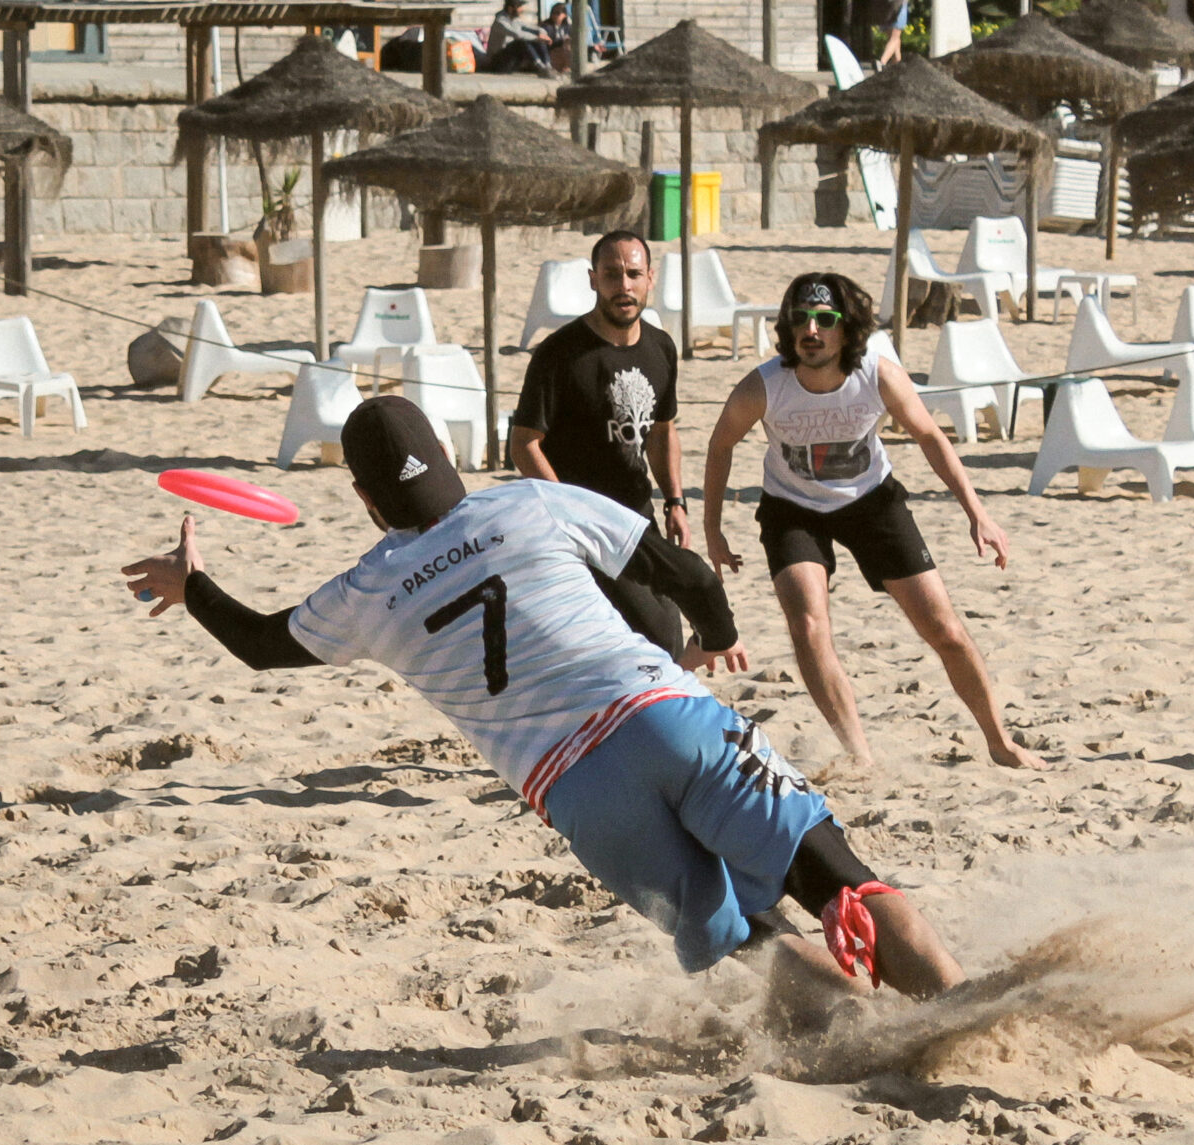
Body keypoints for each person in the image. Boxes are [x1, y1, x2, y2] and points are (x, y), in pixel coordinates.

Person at [120, 395, 964, 1006]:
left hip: (583, 796)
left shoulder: (367, 593)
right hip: (668, 720)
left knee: (752, 938)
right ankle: (964, 1015)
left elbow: (263, 647)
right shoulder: (528, 502)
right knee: (838, 882)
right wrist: (700, 646)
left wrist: (193, 587)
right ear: (451, 462)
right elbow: (689, 575)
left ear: (368, 501)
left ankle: (864, 1033)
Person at [702, 273, 1048, 773]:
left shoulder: (877, 375)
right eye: (801, 319)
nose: (812, 330)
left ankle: (1000, 742)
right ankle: (858, 755)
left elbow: (930, 437)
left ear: (848, 329)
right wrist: (713, 530)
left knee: (944, 628)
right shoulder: (765, 386)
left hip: (871, 501)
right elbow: (720, 446)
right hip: (792, 508)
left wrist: (978, 513)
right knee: (807, 625)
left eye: (826, 319)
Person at [512, 230, 691, 660]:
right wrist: (567, 512)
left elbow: (663, 432)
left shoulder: (661, 348)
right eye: (612, 274)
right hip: (579, 531)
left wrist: (675, 501)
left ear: (651, 278)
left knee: (664, 642)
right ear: (593, 280)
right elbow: (524, 445)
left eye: (633, 274)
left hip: (638, 521)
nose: (623, 285)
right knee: (619, 650)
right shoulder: (559, 355)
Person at [485, 0, 557, 77]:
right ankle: (540, 67)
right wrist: (537, 37)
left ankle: (547, 66)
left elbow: (529, 27)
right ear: (510, 8)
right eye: (519, 7)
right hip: (497, 61)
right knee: (523, 41)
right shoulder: (500, 22)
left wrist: (541, 32)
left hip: (509, 59)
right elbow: (517, 34)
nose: (522, 10)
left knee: (536, 38)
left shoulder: (515, 20)